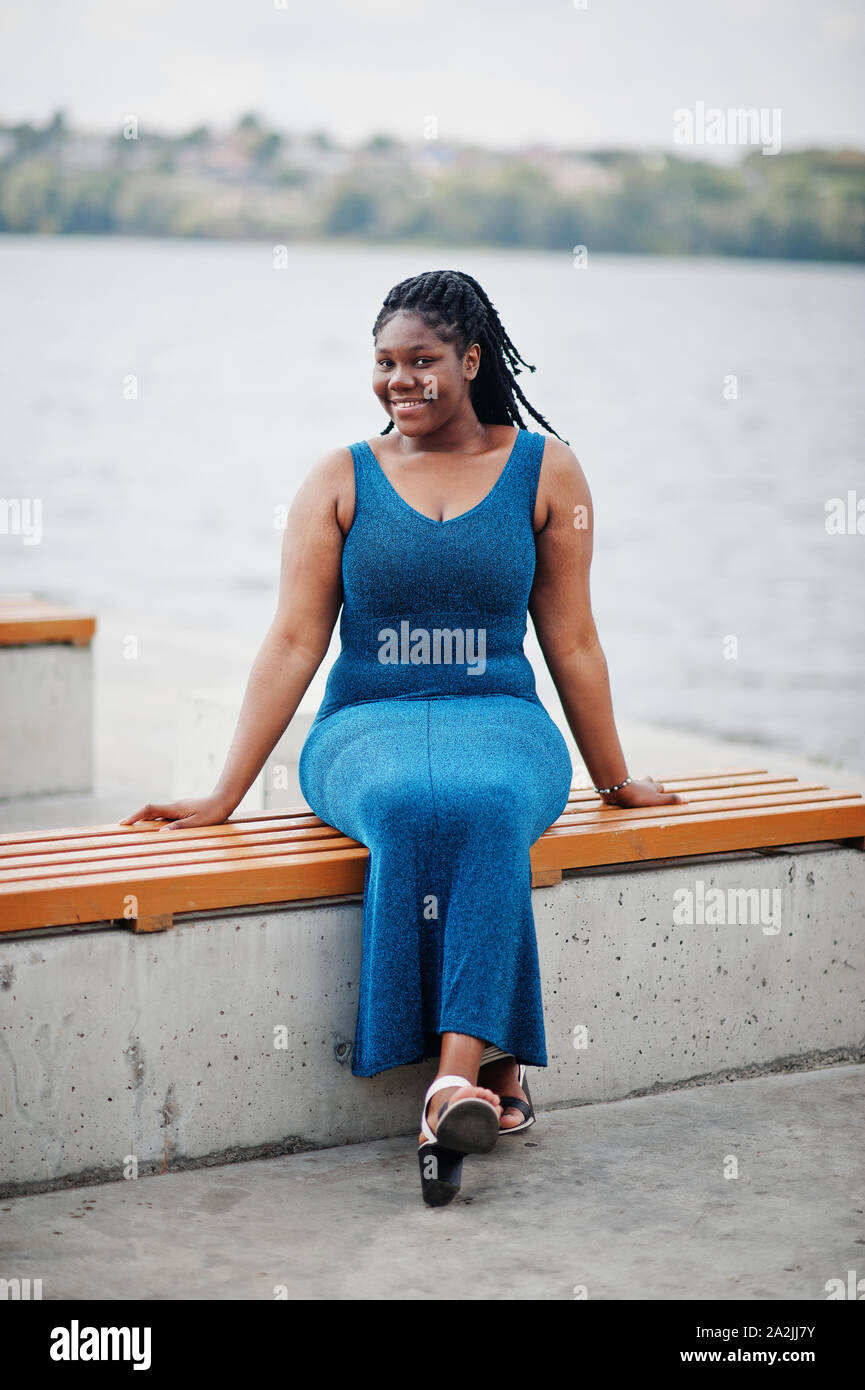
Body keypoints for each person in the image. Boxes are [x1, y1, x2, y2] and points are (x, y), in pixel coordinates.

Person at [120, 268, 680, 1207]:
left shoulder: (548, 470)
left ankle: (448, 1080)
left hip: (503, 718)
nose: (398, 381)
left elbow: (572, 638)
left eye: (421, 361)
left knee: (487, 802)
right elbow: (295, 640)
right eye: (383, 363)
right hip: (360, 727)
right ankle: (483, 1076)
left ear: (470, 359)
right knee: (414, 801)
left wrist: (615, 778)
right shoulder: (339, 476)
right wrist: (222, 793)